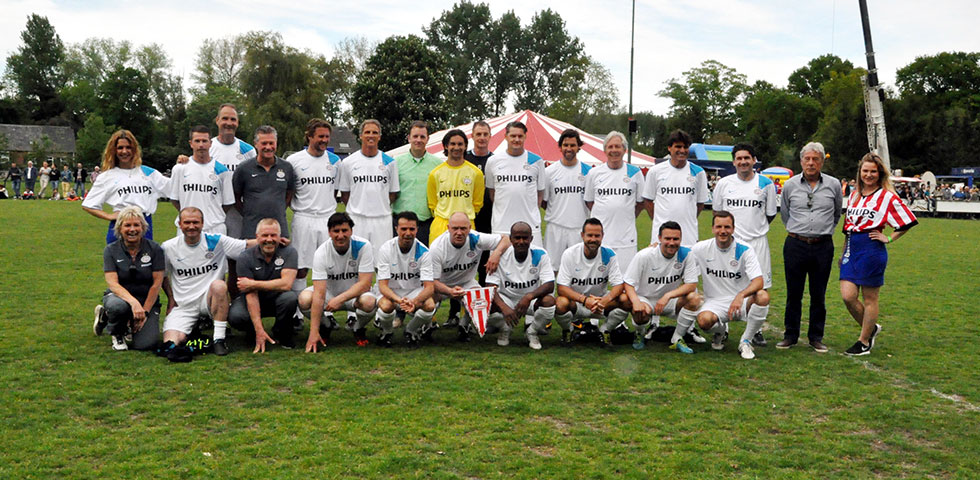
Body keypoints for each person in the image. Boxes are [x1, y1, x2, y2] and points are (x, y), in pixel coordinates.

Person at [840, 153, 917, 356]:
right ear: (860, 172)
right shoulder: (855, 195)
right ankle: (872, 328)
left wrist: (889, 238)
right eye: (865, 171)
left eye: (873, 171)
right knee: (848, 296)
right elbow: (848, 227)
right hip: (852, 247)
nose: (869, 175)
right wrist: (843, 252)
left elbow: (907, 221)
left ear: (880, 173)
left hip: (872, 248)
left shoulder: (887, 196)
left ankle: (864, 341)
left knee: (870, 297)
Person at [161, 207, 252, 359]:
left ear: (203, 224)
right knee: (171, 343)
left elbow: (245, 245)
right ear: (180, 224)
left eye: (196, 222)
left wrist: (271, 239)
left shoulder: (216, 240)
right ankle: (193, 334)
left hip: (209, 300)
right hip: (184, 304)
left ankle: (218, 339)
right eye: (187, 222)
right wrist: (170, 298)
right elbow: (162, 276)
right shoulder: (168, 247)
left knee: (219, 286)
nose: (191, 226)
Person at [778, 142, 842, 353]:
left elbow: (836, 214)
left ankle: (816, 336)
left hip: (822, 246)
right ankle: (790, 335)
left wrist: (823, 232)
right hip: (796, 243)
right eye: (807, 159)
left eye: (816, 159)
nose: (811, 163)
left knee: (818, 294)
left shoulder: (833, 185)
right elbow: (785, 213)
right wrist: (798, 230)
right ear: (801, 161)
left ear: (822, 162)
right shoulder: (790, 185)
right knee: (793, 293)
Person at [711, 143, 777, 346]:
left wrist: (753, 230)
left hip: (757, 244)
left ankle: (755, 330)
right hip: (730, 245)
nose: (743, 162)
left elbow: (771, 214)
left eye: (747, 158)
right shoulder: (724, 184)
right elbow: (718, 213)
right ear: (733, 162)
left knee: (760, 290)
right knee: (726, 284)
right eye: (739, 158)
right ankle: (723, 327)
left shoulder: (766, 184)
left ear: (754, 160)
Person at [688, 211, 770, 360]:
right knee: (703, 321)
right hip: (715, 302)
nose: (723, 231)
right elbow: (679, 255)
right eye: (719, 227)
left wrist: (740, 296)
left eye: (727, 227)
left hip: (742, 302)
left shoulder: (745, 249)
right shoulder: (701, 248)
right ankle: (720, 332)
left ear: (733, 229)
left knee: (763, 296)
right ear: (712, 228)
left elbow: (759, 281)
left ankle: (746, 341)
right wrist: (656, 247)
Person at [285, 119, 342, 314]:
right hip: (304, 218)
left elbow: (334, 192)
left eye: (327, 136)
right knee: (301, 268)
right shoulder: (294, 161)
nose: (324, 140)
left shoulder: (335, 161)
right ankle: (299, 313)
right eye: (320, 136)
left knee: (330, 267)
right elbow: (290, 192)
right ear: (309, 136)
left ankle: (327, 311)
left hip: (327, 218)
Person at [231, 125, 296, 297]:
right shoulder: (244, 169)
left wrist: (279, 208)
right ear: (256, 144)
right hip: (251, 229)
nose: (268, 147)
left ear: (276, 143)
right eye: (264, 143)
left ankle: (287, 310)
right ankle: (244, 310)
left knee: (281, 268)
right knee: (248, 271)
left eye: (271, 143)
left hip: (279, 228)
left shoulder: (287, 168)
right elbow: (236, 197)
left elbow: (289, 194)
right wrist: (249, 213)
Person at [299, 213, 377, 351]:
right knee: (304, 300)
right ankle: (325, 326)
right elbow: (319, 293)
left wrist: (340, 299)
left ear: (351, 231)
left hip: (354, 296)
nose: (340, 235)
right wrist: (312, 333)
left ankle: (358, 328)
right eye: (336, 231)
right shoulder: (321, 252)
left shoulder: (363, 246)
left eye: (344, 230)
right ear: (329, 232)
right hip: (328, 295)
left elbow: (365, 284)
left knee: (369, 302)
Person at [429, 211, 509, 341]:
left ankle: (464, 326)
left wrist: (496, 254)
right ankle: (426, 326)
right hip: (442, 285)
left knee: (481, 301)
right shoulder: (437, 248)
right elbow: (432, 282)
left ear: (469, 228)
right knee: (427, 302)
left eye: (463, 228)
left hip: (466, 283)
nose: (459, 232)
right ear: (448, 228)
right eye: (455, 228)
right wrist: (449, 291)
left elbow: (506, 239)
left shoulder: (475, 238)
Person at [93, 206, 165, 351]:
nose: (132, 229)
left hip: (146, 300)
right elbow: (112, 283)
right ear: (120, 228)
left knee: (146, 344)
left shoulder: (155, 249)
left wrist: (144, 312)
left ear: (143, 227)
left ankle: (128, 321)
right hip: (120, 298)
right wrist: (133, 303)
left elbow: (156, 284)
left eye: (136, 225)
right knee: (118, 307)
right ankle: (117, 332)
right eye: (127, 225)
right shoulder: (111, 250)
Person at [624, 221, 701, 353]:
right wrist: (636, 302)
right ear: (659, 238)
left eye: (676, 239)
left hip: (669, 301)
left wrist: (668, 296)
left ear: (681, 239)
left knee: (694, 298)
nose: (672, 242)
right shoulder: (645, 255)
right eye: (667, 238)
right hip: (646, 299)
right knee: (640, 311)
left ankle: (677, 338)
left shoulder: (686, 254)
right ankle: (639, 334)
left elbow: (691, 284)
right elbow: (628, 283)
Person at [82, 130, 170, 244]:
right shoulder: (107, 176)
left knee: (144, 261)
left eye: (128, 147)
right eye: (120, 148)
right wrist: (109, 216)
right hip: (120, 226)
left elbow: (175, 189)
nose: (124, 151)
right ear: (114, 150)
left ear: (134, 149)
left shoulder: (148, 173)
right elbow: (88, 205)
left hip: (143, 225)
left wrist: (183, 165)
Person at [553, 218, 629, 349]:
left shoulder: (609, 254)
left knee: (625, 300)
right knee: (560, 303)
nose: (593, 239)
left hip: (600, 304)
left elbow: (618, 285)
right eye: (589, 235)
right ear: (582, 235)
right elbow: (561, 288)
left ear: (602, 236)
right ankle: (568, 330)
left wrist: (605, 300)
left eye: (597, 236)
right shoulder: (570, 254)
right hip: (577, 303)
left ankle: (605, 331)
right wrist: (584, 300)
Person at [228, 218, 299, 353]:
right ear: (257, 237)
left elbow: (286, 284)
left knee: (289, 298)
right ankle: (253, 332)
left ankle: (281, 331)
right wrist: (259, 329)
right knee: (236, 316)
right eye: (265, 235)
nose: (269, 239)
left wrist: (254, 284)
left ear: (280, 236)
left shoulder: (289, 252)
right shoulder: (245, 257)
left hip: (277, 299)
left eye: (273, 235)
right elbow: (250, 293)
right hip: (251, 299)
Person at [485, 221, 555, 349]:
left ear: (531, 239)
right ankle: (505, 329)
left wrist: (529, 296)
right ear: (511, 239)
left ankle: (532, 331)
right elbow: (490, 286)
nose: (521, 242)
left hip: (530, 301)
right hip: (507, 299)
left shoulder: (540, 254)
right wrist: (503, 307)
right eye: (517, 238)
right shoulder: (499, 255)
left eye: (525, 238)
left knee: (549, 301)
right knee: (483, 304)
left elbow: (549, 284)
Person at [338, 119, 399, 260]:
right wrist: (358, 207)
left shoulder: (390, 162)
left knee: (382, 263)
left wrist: (378, 206)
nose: (370, 136)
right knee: (355, 261)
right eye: (367, 132)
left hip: (382, 220)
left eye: (374, 133)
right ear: (360, 136)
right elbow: (345, 194)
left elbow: (393, 193)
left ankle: (380, 284)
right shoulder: (348, 162)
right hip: (357, 219)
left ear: (379, 136)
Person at [374, 211, 438, 347]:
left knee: (430, 305)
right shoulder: (386, 249)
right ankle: (387, 332)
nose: (408, 233)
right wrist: (399, 301)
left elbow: (429, 287)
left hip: (413, 292)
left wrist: (414, 301)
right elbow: (383, 286)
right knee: (386, 306)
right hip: (391, 291)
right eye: (403, 229)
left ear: (417, 230)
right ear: (396, 229)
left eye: (412, 229)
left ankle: (411, 331)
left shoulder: (424, 252)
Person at [584, 131, 645, 267]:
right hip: (600, 238)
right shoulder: (594, 173)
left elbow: (641, 203)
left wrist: (626, 214)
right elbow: (589, 201)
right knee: (598, 279)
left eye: (617, 147)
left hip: (626, 238)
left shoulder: (635, 173)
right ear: (605, 150)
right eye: (610, 147)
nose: (614, 150)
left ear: (624, 150)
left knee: (625, 279)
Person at [642, 129, 709, 247]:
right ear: (669, 148)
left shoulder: (699, 172)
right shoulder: (655, 171)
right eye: (678, 146)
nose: (682, 150)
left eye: (685, 147)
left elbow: (700, 204)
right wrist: (660, 221)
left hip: (689, 238)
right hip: (661, 238)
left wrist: (688, 218)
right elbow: (648, 201)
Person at [484, 121, 545, 247]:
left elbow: (539, 194)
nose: (516, 139)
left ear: (525, 137)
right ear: (506, 137)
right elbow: (492, 193)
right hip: (501, 226)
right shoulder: (493, 161)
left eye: (520, 136)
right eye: (513, 136)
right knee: (500, 263)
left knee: (532, 263)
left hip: (530, 225)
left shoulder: (537, 161)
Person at [169, 125, 235, 235]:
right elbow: (174, 199)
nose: (201, 145)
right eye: (197, 141)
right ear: (191, 143)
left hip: (214, 228)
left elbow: (227, 203)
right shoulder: (180, 169)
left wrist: (212, 216)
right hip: (187, 228)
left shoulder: (223, 171)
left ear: (210, 143)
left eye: (204, 141)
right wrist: (189, 215)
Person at [543, 129, 592, 270]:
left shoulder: (588, 171)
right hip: (555, 227)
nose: (569, 149)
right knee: (552, 268)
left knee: (578, 268)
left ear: (578, 147)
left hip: (579, 227)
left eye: (572, 145)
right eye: (565, 145)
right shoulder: (549, 172)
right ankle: (550, 293)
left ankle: (576, 293)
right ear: (560, 147)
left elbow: (590, 201)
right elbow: (545, 201)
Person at [426, 129, 484, 245]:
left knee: (466, 262)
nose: (456, 147)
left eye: (460, 144)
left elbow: (477, 203)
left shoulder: (476, 173)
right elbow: (432, 204)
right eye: (452, 144)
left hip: (466, 226)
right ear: (446, 146)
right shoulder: (435, 173)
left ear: (465, 146)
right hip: (441, 225)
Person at [209, 103, 257, 239]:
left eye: (233, 119)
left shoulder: (248, 150)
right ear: (217, 120)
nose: (229, 123)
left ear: (238, 123)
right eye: (225, 119)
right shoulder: (207, 146)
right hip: (213, 210)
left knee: (237, 252)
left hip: (238, 212)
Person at [392, 121, 441, 245]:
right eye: (415, 136)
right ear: (409, 138)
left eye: (422, 137)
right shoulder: (395, 163)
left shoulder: (438, 165)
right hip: (400, 225)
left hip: (425, 225)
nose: (418, 140)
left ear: (428, 139)